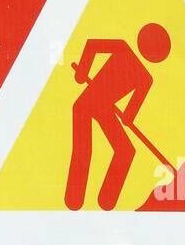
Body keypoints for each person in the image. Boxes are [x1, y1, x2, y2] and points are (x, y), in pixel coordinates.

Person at [65, 22, 171, 211]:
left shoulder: (146, 78)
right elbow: (91, 45)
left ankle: (107, 200)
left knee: (126, 150)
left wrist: (128, 117)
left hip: (103, 108)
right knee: (84, 149)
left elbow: (129, 115)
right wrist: (83, 70)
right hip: (85, 105)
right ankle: (74, 199)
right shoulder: (122, 48)